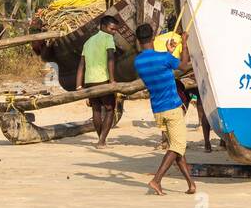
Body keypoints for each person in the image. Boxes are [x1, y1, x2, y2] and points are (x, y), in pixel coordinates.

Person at [134, 23, 196, 195]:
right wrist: (183, 43)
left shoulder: (138, 61)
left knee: (176, 147)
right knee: (177, 146)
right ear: (153, 38)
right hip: (172, 106)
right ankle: (157, 180)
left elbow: (158, 66)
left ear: (139, 41)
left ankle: (191, 184)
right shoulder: (163, 58)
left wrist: (168, 52)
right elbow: (184, 66)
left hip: (157, 108)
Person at [75, 15, 119, 147]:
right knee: (110, 109)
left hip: (89, 81)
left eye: (115, 29)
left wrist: (79, 85)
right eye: (112, 29)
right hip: (103, 80)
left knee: (96, 110)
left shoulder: (88, 42)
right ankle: (101, 140)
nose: (114, 32)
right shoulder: (108, 38)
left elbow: (81, 65)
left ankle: (101, 139)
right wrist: (112, 81)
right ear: (104, 27)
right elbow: (110, 59)